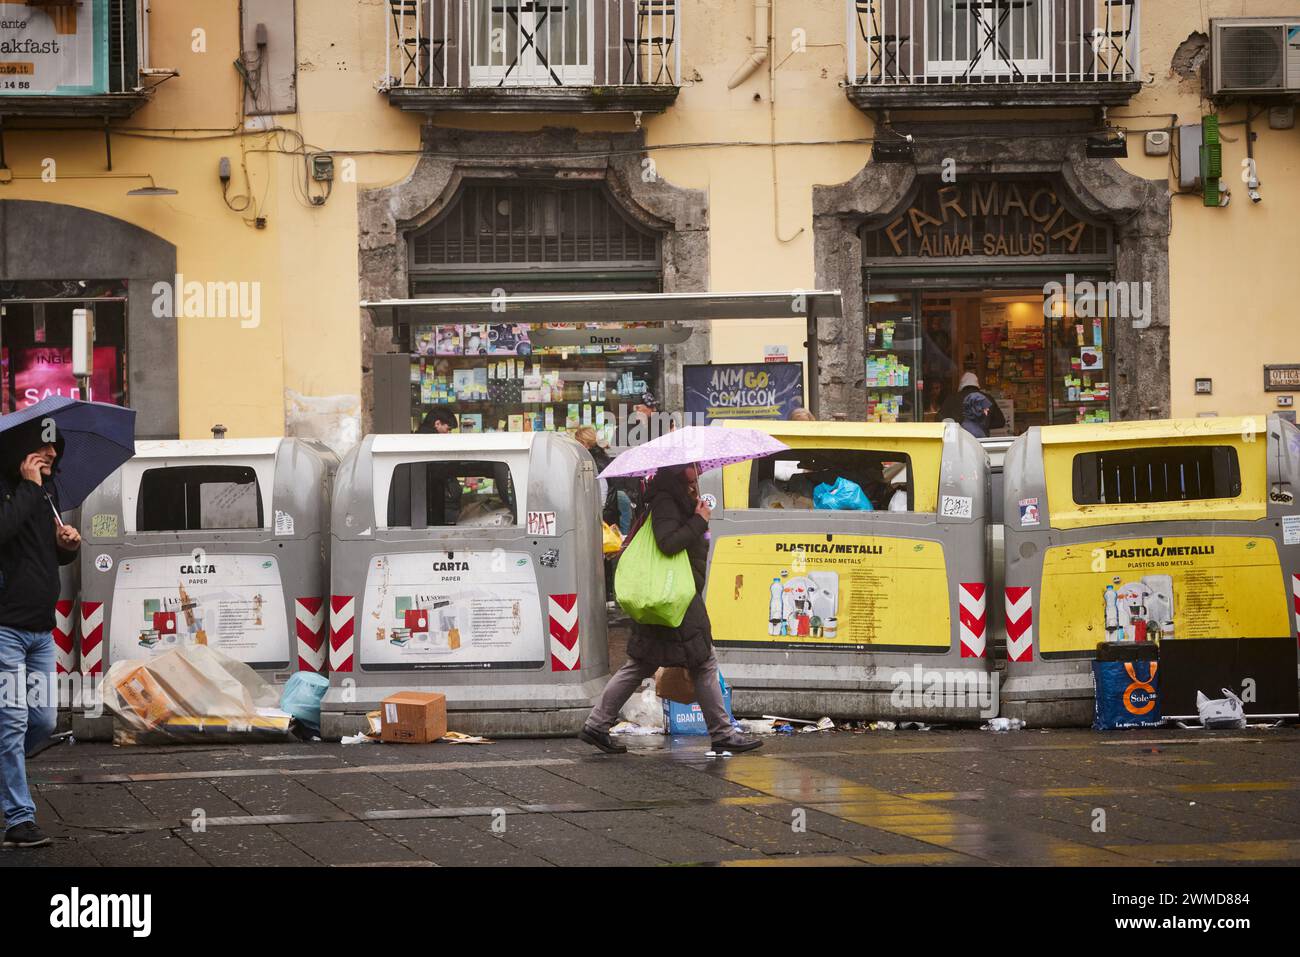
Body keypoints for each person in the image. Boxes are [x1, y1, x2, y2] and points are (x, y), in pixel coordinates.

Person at [579, 464, 761, 755]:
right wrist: (699, 521)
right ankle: (723, 733)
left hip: (674, 593)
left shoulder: (676, 495)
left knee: (641, 663)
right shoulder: (666, 499)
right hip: (675, 595)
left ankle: (596, 724)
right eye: (692, 465)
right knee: (702, 662)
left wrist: (696, 513)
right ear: (678, 469)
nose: (698, 468)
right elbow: (668, 543)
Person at [0, 422, 80, 849]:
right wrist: (28, 488)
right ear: (19, 449)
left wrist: (66, 546)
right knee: (11, 723)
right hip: (5, 628)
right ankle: (19, 818)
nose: (50, 453)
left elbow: (40, 556)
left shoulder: (47, 495)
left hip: (40, 631)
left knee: (43, 721)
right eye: (41, 446)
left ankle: (6, 777)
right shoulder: (13, 489)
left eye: (54, 446)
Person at [939, 372, 1006, 433]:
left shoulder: (951, 399)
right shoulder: (987, 398)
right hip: (981, 441)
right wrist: (985, 424)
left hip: (958, 439)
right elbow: (1000, 422)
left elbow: (940, 419)